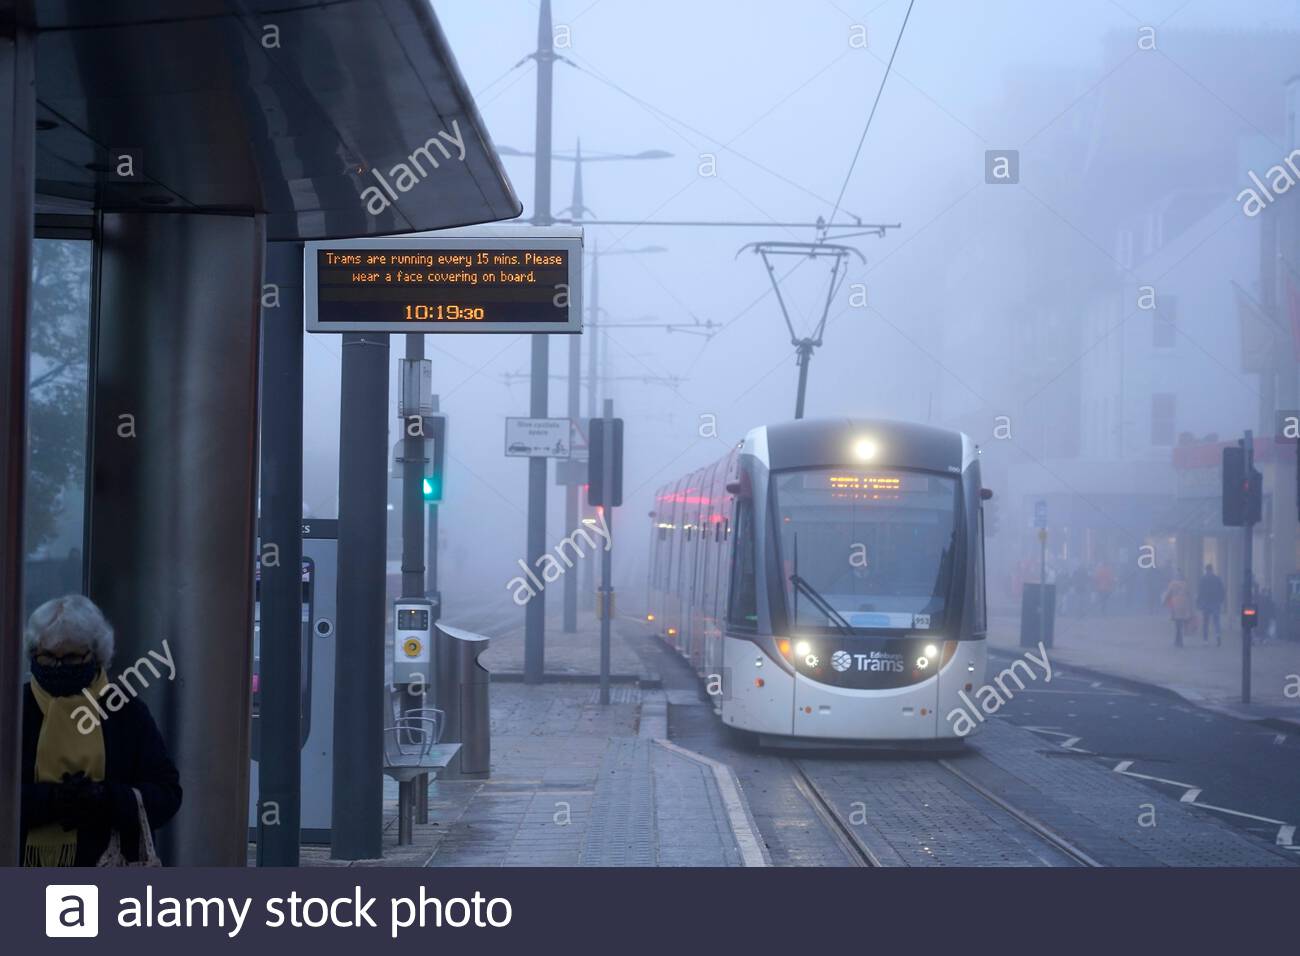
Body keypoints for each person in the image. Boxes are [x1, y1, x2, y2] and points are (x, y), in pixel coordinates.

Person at [20, 595, 182, 866]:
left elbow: (167, 795)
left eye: (71, 658)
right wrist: (50, 801)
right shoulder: (14, 710)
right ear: (33, 653)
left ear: (96, 656)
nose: (59, 667)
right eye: (48, 657)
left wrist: (106, 799)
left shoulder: (125, 711)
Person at [1162, 569, 1195, 648]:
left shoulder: (1172, 584)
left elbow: (1168, 594)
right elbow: (1190, 595)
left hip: (1176, 605)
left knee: (1178, 624)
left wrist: (1164, 602)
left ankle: (1178, 641)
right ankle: (1178, 640)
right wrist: (1191, 607)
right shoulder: (1186, 584)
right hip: (1184, 606)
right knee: (1181, 624)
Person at [1197, 563, 1225, 646]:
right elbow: (1222, 590)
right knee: (1216, 621)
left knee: (1206, 621)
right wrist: (1221, 600)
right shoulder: (1217, 579)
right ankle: (1218, 635)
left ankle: (1205, 639)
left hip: (1206, 602)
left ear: (1206, 570)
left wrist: (1199, 602)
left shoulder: (1203, 579)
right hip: (1215, 602)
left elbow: (1200, 591)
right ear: (1212, 570)